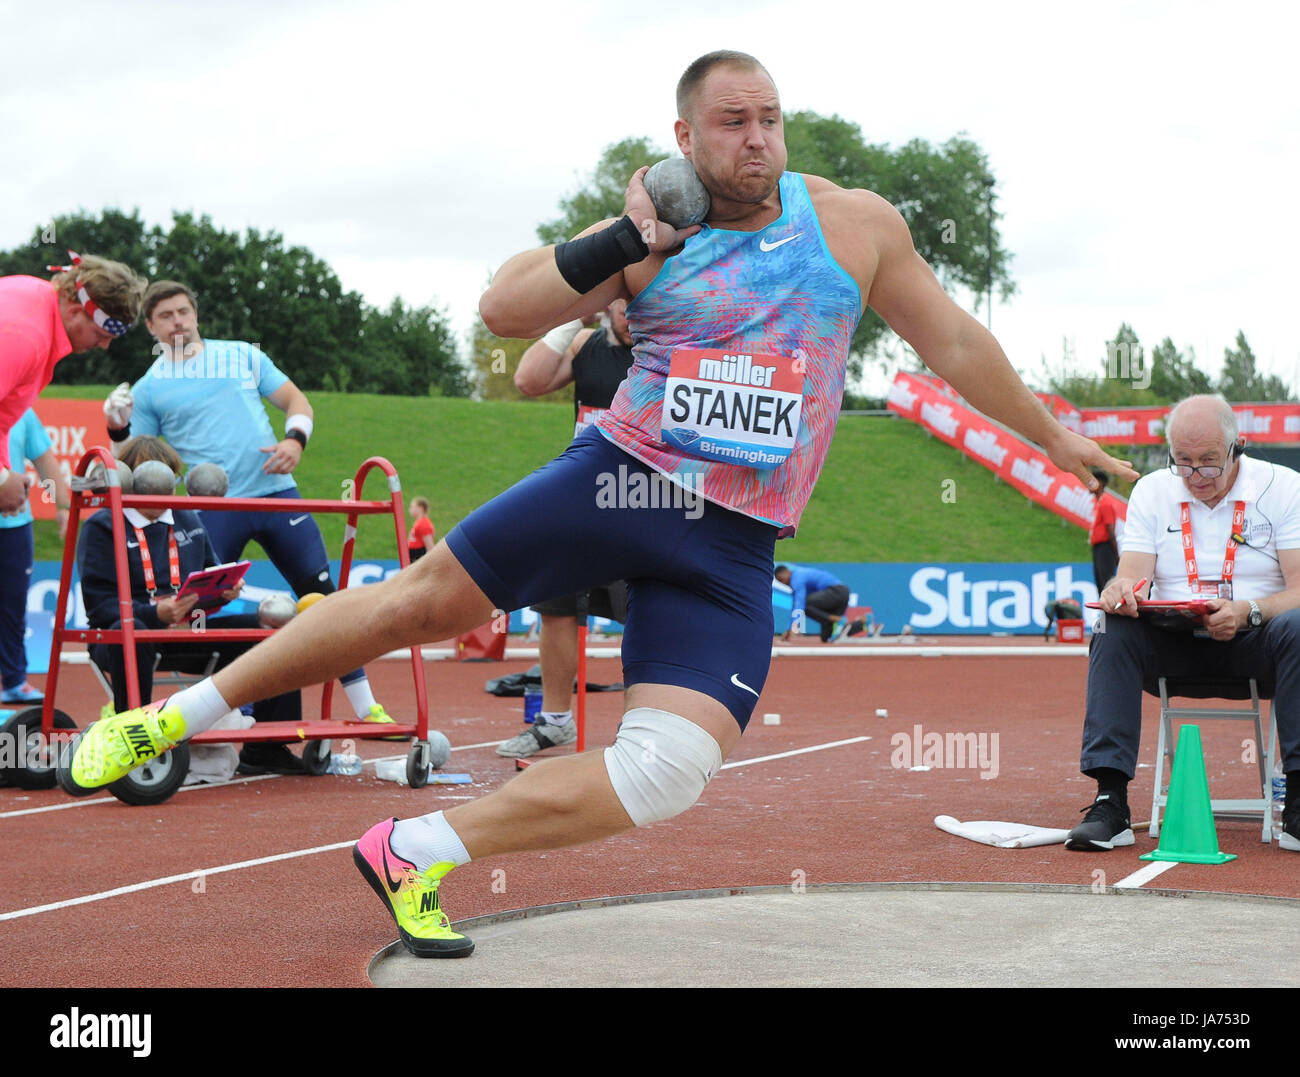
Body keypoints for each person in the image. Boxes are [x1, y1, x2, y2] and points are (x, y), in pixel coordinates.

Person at [65, 51, 1132, 958]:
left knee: (667, 772)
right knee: (414, 604)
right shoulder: (646, 236)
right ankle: (168, 715)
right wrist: (626, 242)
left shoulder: (854, 226)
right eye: (731, 123)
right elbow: (500, 309)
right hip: (624, 483)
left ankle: (414, 852)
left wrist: (1050, 435)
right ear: (684, 134)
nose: (756, 139)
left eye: (769, 119)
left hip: (737, 541)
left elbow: (950, 340)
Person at [101, 281, 395, 732]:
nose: (178, 321)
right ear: (150, 326)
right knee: (204, 611)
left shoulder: (241, 354)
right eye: (166, 316)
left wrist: (295, 441)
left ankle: (366, 706)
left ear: (196, 314)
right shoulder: (149, 388)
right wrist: (116, 429)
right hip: (212, 510)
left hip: (277, 494)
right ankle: (220, 712)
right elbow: (135, 464)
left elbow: (296, 401)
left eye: (183, 311)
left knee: (324, 600)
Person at [1068, 394, 1300, 852]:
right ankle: (1110, 801)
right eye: (1184, 463)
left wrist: (1248, 611)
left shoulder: (1284, 487)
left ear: (1238, 448)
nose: (1196, 477)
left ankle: (1298, 804)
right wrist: (1120, 591)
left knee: (1299, 626)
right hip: (1174, 643)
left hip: (1258, 641)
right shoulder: (1153, 490)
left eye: (1210, 463)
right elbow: (1133, 576)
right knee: (1111, 627)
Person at [76, 437, 306, 775]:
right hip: (126, 636)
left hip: (189, 630)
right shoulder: (101, 525)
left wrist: (224, 590)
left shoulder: (186, 518)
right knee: (133, 631)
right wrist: (155, 614)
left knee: (274, 632)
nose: (155, 493)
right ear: (127, 481)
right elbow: (100, 607)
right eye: (145, 482)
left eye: (164, 481)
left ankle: (266, 747)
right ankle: (134, 741)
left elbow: (209, 573)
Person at [496, 300, 635, 759]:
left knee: (646, 614)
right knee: (554, 607)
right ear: (610, 302)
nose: (634, 314)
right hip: (580, 498)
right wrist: (574, 318)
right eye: (625, 305)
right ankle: (555, 721)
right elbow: (527, 380)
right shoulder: (583, 341)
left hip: (642, 501)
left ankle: (644, 727)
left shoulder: (667, 348)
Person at [0, 253, 146, 514]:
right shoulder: (27, 335)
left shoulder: (37, 301)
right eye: (102, 335)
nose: (104, 346)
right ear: (76, 311)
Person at [0, 408, 70, 703]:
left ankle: (15, 680)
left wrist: (63, 505)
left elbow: (44, 463)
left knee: (13, 605)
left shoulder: (21, 410)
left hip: (14, 527)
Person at [774, 563, 864, 643]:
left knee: (805, 604)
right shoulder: (797, 580)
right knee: (827, 637)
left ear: (787, 572)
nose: (784, 583)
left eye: (782, 579)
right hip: (838, 596)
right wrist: (789, 628)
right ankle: (863, 624)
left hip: (837, 592)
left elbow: (799, 605)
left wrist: (793, 627)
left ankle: (833, 619)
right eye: (780, 582)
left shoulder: (797, 578)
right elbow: (796, 606)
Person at [1089, 468, 1119, 593]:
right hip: (1098, 548)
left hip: (1105, 548)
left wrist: (1116, 553)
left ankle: (1108, 612)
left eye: (1091, 481)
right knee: (1100, 582)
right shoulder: (1098, 502)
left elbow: (1110, 529)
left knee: (1106, 583)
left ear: (1099, 483)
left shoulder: (1106, 503)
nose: (1088, 484)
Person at [407, 497, 436, 563]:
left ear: (420, 508)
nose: (410, 510)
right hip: (414, 557)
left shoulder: (424, 523)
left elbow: (430, 547)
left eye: (412, 507)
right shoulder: (419, 522)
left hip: (418, 557)